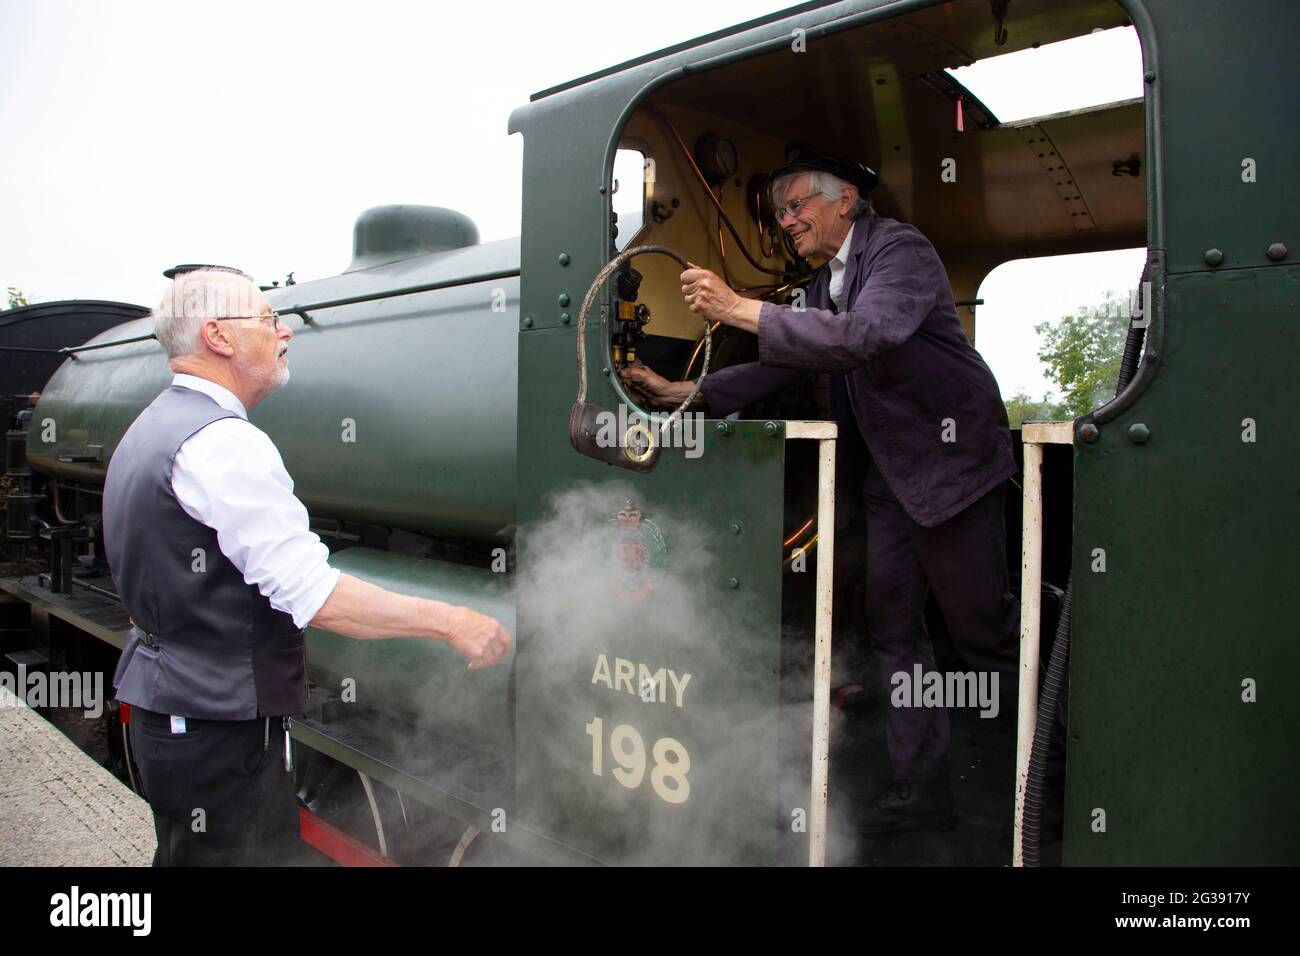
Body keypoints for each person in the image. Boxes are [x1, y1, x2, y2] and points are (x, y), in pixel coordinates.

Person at [621, 144, 1018, 834]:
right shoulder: (817, 285)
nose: (786, 222)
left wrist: (738, 307)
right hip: (889, 481)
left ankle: (1048, 769)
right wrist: (684, 390)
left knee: (985, 634)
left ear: (844, 200)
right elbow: (778, 367)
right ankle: (920, 782)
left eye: (796, 205)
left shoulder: (899, 249)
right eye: (779, 213)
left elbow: (867, 334)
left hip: (952, 470)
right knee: (894, 628)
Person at [104, 266, 511, 865]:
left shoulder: (154, 426)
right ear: (218, 337)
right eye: (268, 320)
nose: (285, 332)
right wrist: (451, 621)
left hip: (176, 714)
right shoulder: (224, 442)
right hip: (217, 728)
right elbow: (313, 594)